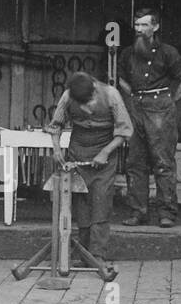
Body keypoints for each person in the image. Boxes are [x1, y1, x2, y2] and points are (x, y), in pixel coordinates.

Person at [47, 71, 134, 263]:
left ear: (94, 89)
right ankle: (82, 252)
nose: (85, 107)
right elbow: (56, 125)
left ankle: (98, 255)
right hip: (78, 153)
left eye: (87, 101)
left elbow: (125, 131)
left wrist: (105, 152)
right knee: (81, 206)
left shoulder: (111, 95)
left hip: (105, 156)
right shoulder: (68, 96)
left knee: (101, 203)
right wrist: (56, 149)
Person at [118, 8, 181, 227]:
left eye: (144, 25)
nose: (139, 29)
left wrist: (168, 102)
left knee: (163, 162)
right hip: (136, 107)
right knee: (135, 162)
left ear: (155, 27)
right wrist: (132, 99)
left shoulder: (168, 52)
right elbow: (122, 80)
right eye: (137, 25)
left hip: (161, 108)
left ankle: (166, 213)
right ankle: (138, 212)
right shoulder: (127, 54)